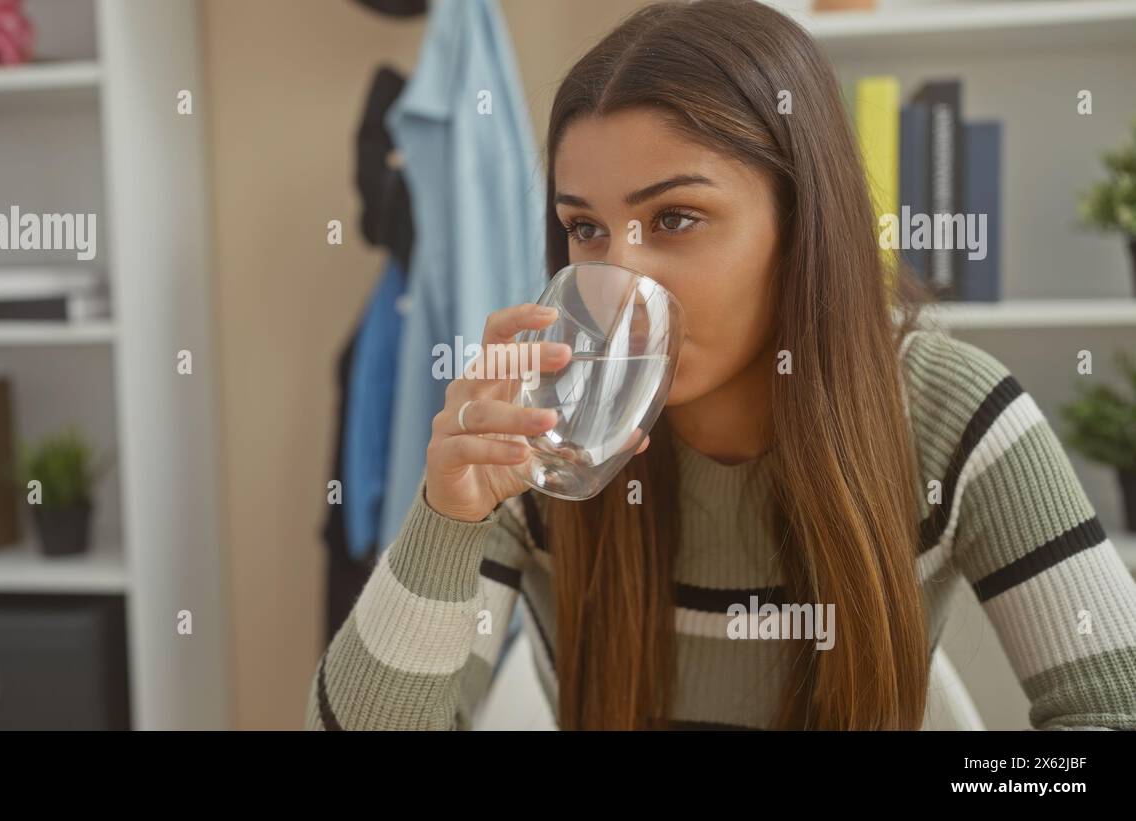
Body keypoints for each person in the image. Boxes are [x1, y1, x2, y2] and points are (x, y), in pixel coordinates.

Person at [306, 0, 1136, 730]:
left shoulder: (950, 413)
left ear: (803, 220)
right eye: (586, 228)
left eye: (674, 218)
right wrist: (446, 517)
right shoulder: (545, 434)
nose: (619, 276)